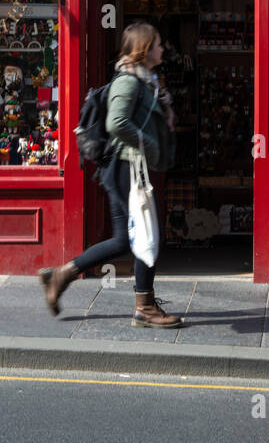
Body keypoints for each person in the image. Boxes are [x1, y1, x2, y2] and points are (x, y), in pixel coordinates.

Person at [39, 21, 181, 328]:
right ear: (144, 48)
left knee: (123, 240)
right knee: (147, 234)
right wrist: (148, 143)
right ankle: (145, 306)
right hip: (126, 166)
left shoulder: (146, 80)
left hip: (129, 166)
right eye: (157, 43)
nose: (162, 48)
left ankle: (61, 275)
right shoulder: (128, 81)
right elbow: (117, 123)